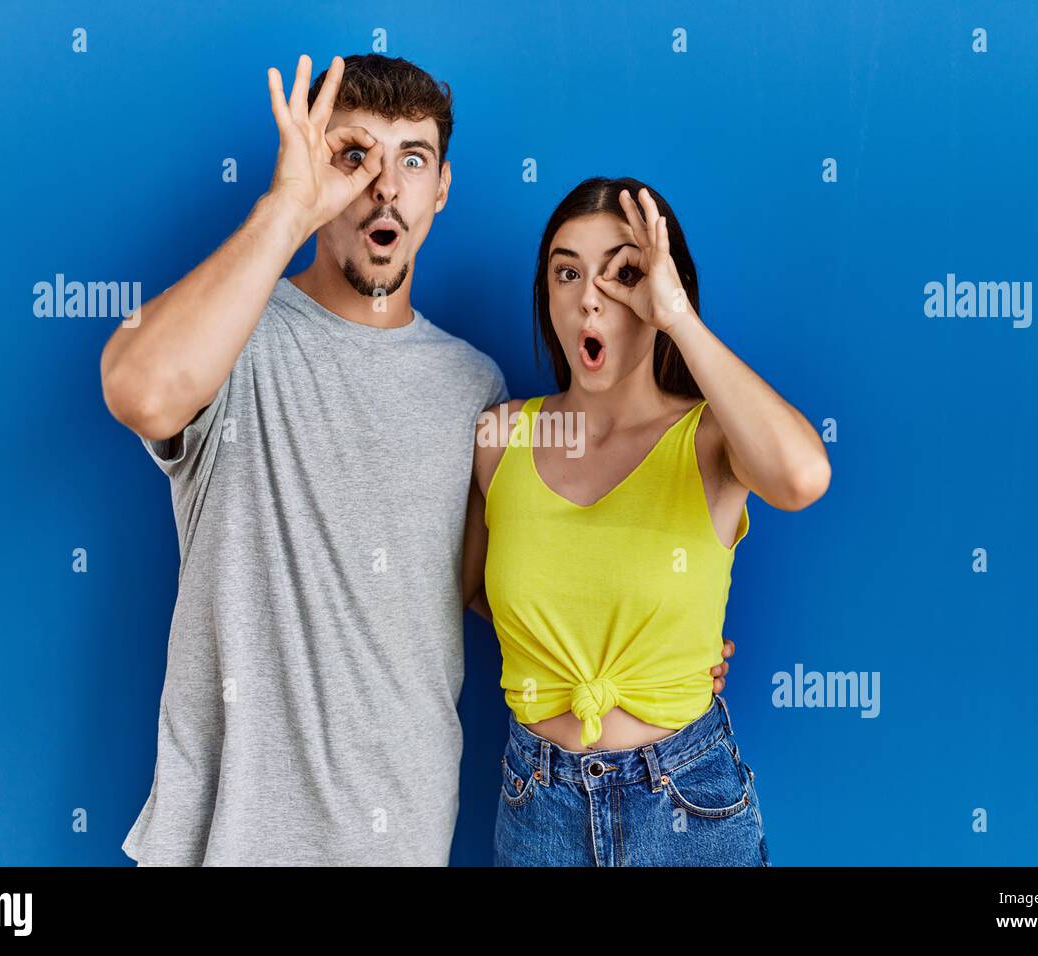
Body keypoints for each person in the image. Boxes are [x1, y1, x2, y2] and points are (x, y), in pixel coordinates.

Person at [101, 54, 735, 865]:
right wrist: (286, 209)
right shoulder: (234, 337)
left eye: (411, 159)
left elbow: (482, 583)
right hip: (231, 836)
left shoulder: (476, 390)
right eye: (352, 156)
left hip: (400, 834)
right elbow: (137, 389)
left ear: (440, 188)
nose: (384, 187)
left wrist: (663, 638)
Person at [467, 177, 831, 866]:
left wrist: (679, 320)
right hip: (535, 807)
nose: (591, 298)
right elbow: (474, 590)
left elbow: (803, 476)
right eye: (566, 272)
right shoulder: (500, 437)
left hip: (686, 803)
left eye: (625, 272)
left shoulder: (712, 439)